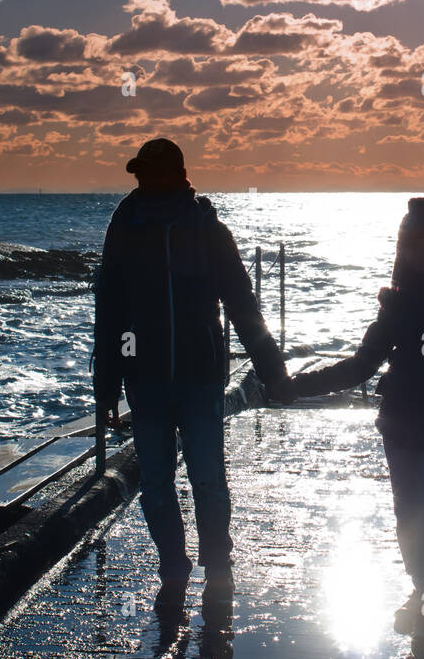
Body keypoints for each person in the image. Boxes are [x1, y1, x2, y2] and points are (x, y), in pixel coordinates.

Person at [289, 198, 424, 638]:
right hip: (400, 424)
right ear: (401, 250)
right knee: (408, 513)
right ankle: (421, 591)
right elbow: (361, 365)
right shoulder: (397, 305)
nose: (420, 255)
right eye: (412, 247)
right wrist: (294, 386)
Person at [93, 138, 290, 607]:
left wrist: (271, 369)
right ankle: (174, 569)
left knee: (207, 477)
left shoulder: (207, 229)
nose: (142, 181)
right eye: (138, 173)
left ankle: (218, 568)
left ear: (175, 176)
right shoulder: (125, 225)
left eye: (149, 172)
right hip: (145, 379)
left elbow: (242, 301)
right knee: (156, 481)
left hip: (201, 375)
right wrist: (106, 386)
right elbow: (110, 312)